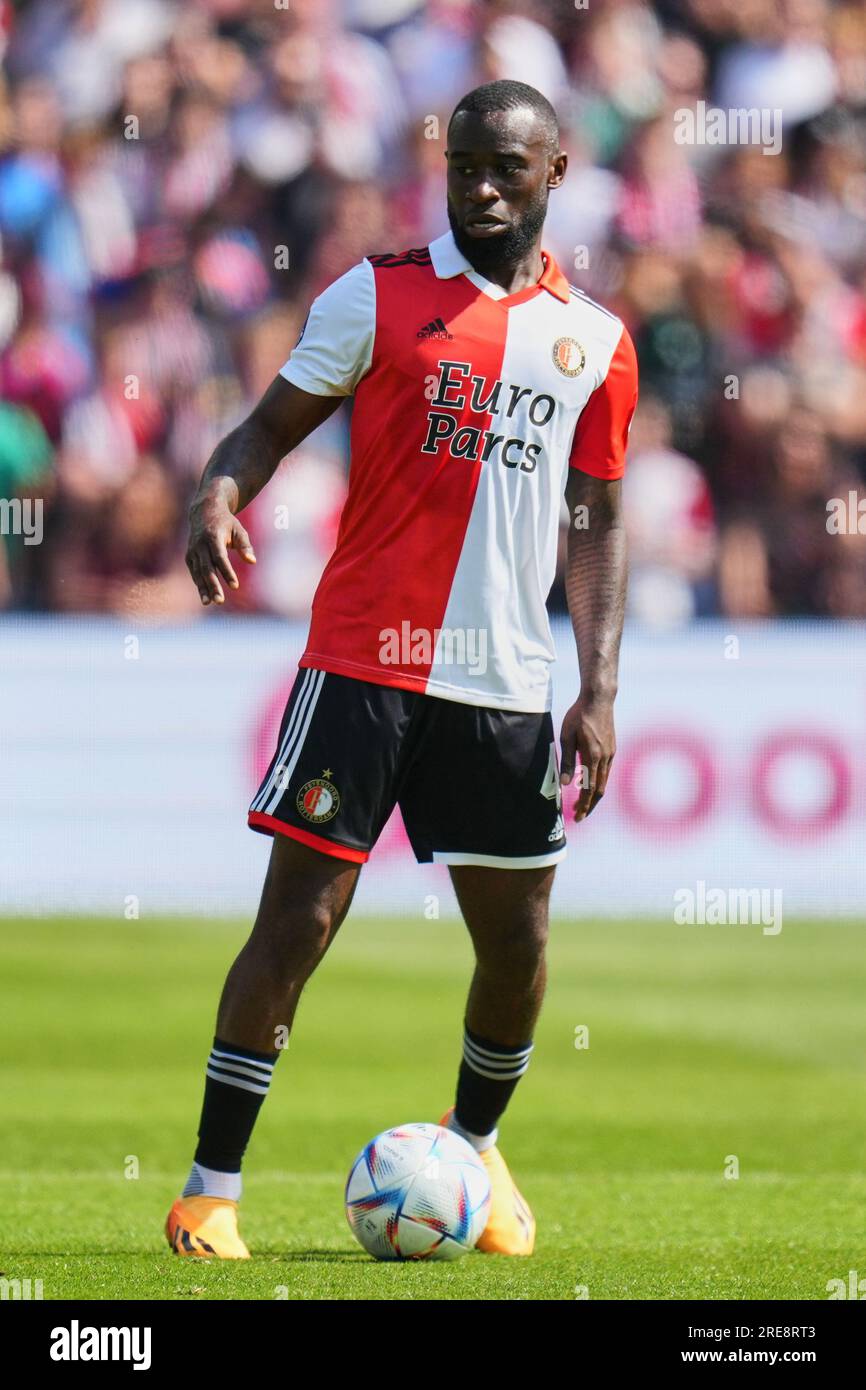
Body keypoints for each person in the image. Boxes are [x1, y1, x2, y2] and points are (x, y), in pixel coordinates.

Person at [168, 79, 638, 1260]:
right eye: (464, 162)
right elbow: (268, 423)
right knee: (298, 920)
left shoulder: (595, 342)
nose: (480, 185)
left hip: (504, 684)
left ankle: (473, 1144)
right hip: (362, 668)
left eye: (505, 168)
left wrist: (599, 687)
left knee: (518, 942)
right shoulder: (375, 294)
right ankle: (209, 1190)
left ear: (554, 175)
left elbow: (595, 521)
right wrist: (220, 488)